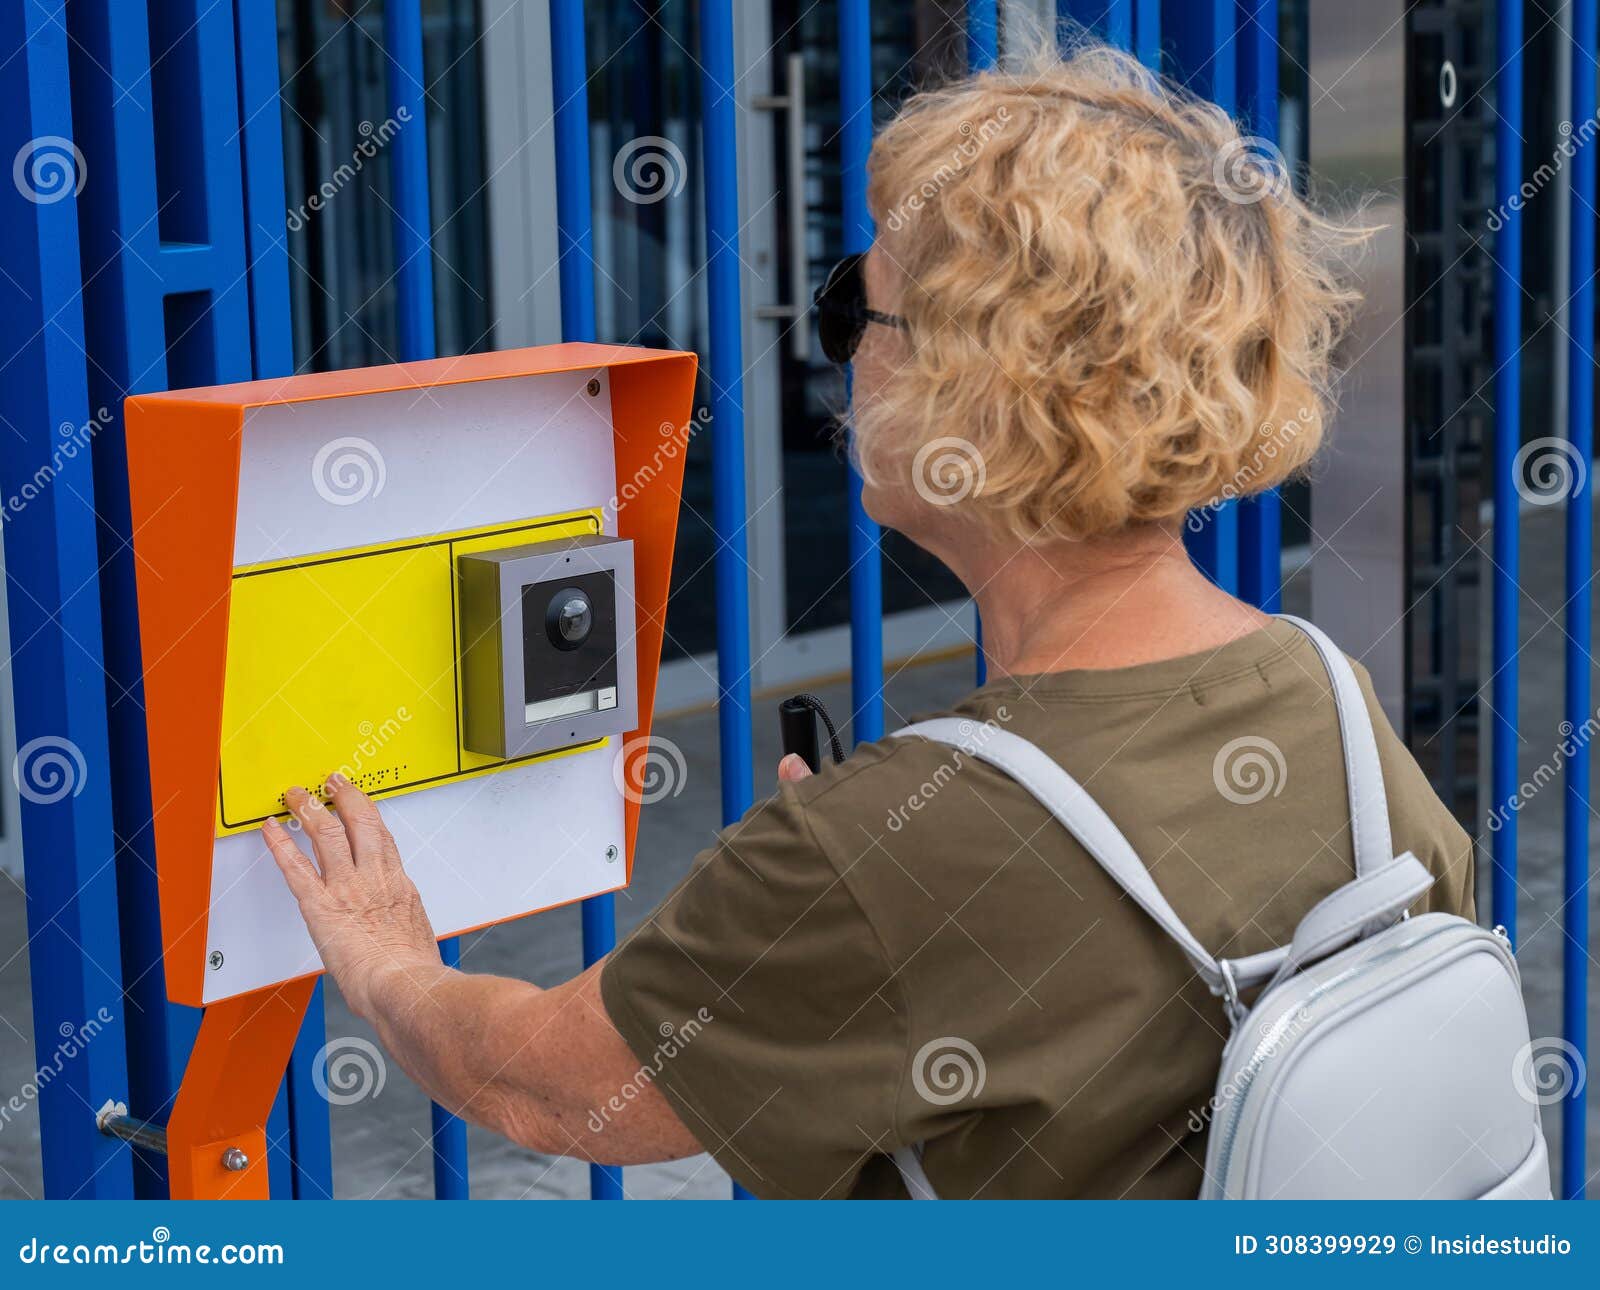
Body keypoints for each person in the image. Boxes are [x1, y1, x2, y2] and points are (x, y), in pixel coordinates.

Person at [264, 43, 1473, 1199]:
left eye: (858, 311)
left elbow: (543, 1092)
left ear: (979, 383)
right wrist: (853, 895)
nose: (838, 359)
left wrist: (386, 965)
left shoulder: (898, 851)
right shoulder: (1332, 704)